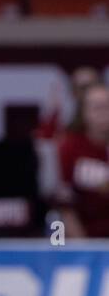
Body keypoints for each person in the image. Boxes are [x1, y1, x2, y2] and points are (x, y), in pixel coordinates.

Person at [56, 82, 109, 237]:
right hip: (86, 239)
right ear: (84, 112)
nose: (104, 113)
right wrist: (84, 249)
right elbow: (65, 206)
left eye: (108, 107)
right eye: (97, 108)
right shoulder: (69, 148)